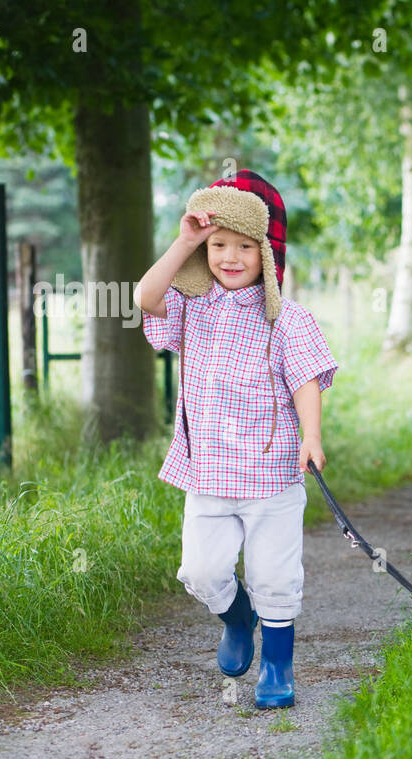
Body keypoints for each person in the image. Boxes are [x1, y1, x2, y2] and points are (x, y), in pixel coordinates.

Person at [133, 170, 337, 708]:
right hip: (208, 474)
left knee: (274, 574)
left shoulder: (287, 321)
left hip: (271, 477)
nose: (229, 257)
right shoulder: (190, 307)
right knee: (201, 571)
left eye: (245, 246)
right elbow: (145, 296)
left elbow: (306, 379)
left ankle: (276, 666)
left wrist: (310, 436)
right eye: (219, 244)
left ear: (266, 255)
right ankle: (237, 618)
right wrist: (186, 240)